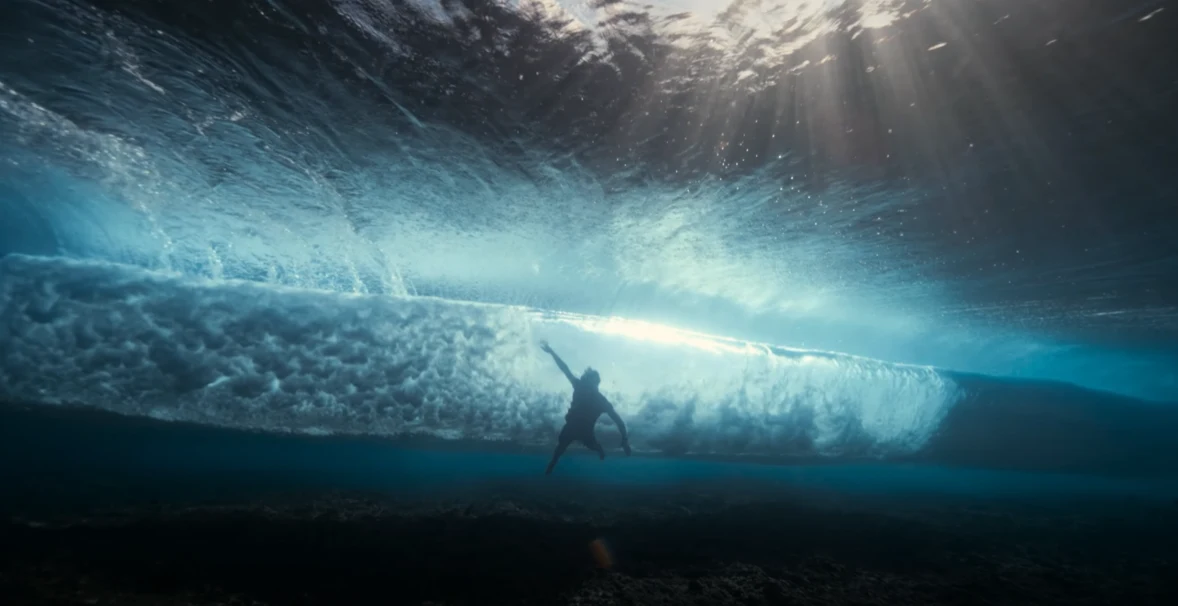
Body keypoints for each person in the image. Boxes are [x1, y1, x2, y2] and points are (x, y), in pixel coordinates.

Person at [539, 340, 630, 475]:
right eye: (587, 380)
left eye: (591, 383)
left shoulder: (600, 400)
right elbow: (564, 368)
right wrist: (551, 351)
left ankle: (599, 449)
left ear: (596, 384)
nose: (588, 386)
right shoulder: (579, 386)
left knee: (592, 445)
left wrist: (625, 440)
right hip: (570, 427)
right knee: (560, 448)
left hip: (586, 432)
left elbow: (619, 421)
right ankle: (551, 466)